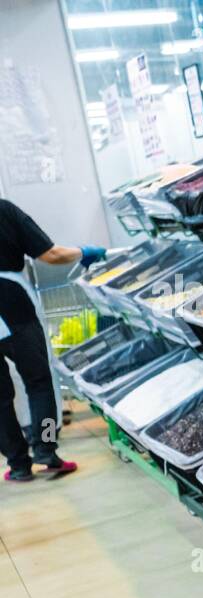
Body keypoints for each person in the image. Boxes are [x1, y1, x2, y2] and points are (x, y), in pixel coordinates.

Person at [0, 198, 105, 481]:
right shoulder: (3, 210)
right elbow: (51, 255)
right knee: (39, 382)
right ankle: (46, 449)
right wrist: (84, 251)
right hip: (11, 304)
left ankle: (18, 465)